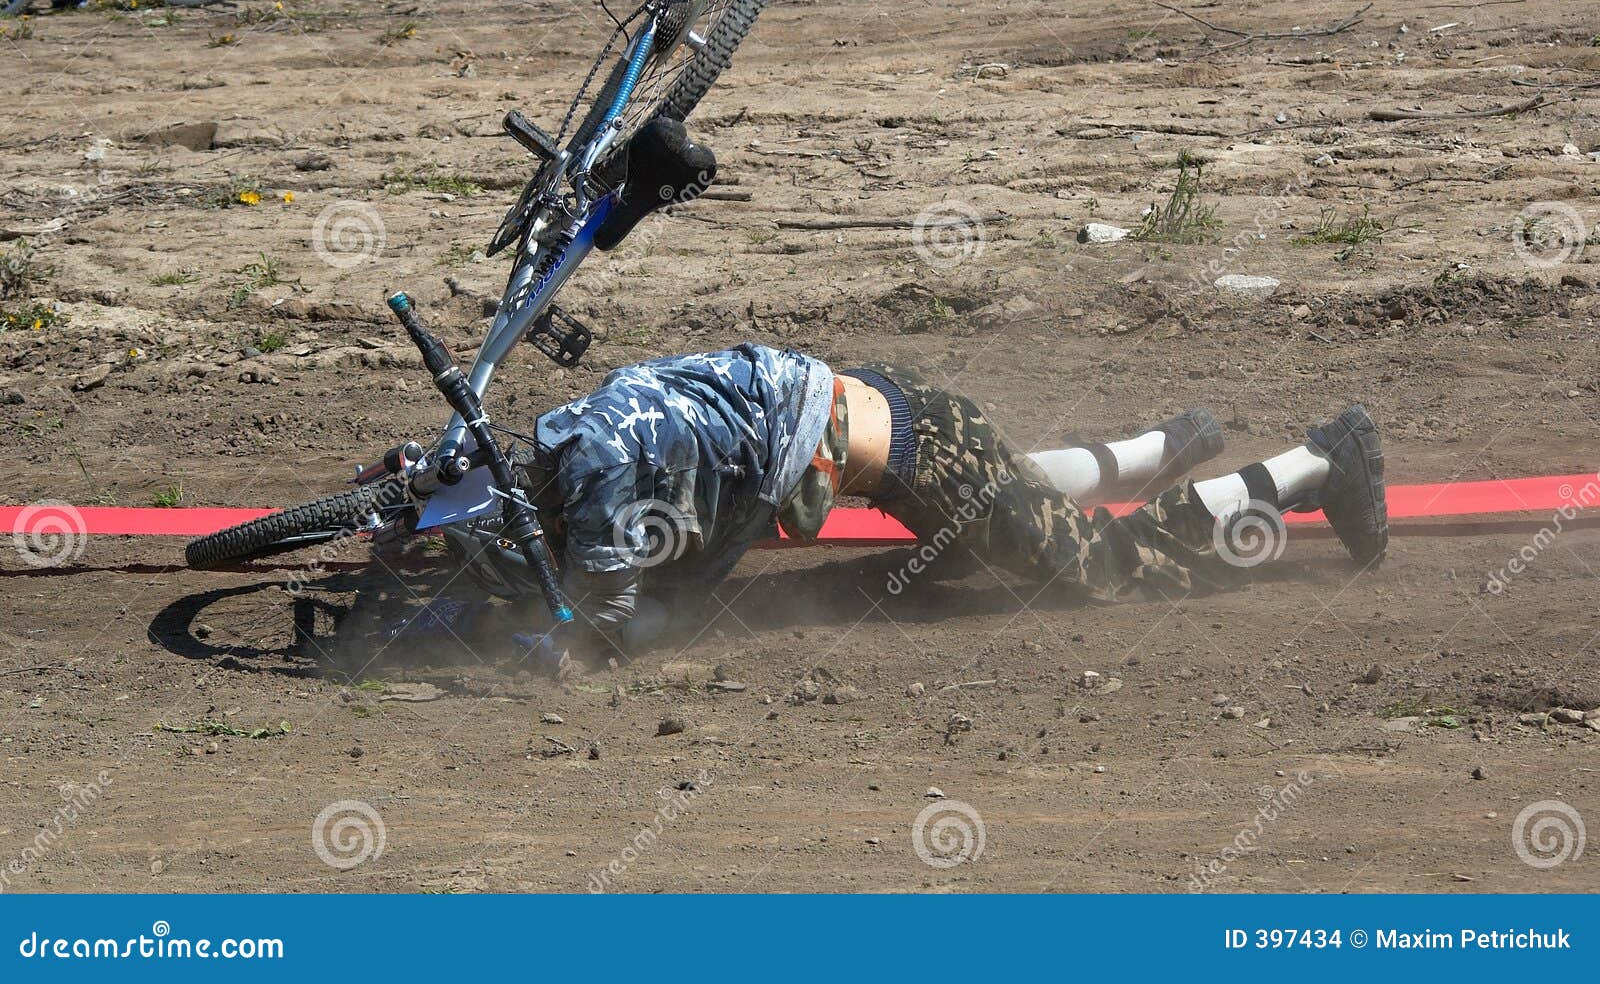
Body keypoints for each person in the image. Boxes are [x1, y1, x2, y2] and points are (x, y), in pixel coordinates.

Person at [443, 343, 1387, 667]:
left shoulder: (597, 482)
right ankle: (1158, 449)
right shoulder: (575, 433)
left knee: (1107, 568)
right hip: (896, 421)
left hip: (927, 456)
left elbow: (609, 625)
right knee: (1000, 515)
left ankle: (1317, 461)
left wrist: (531, 644)